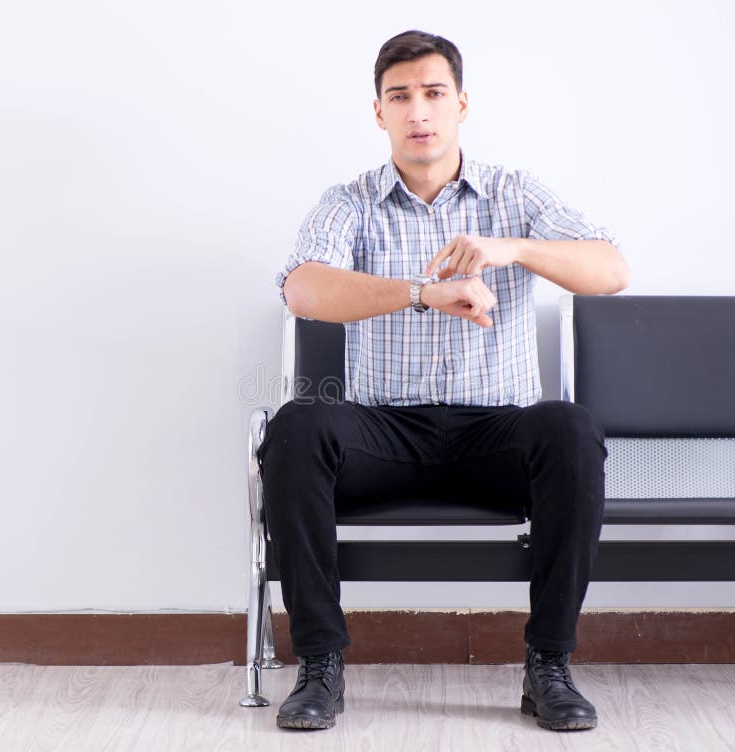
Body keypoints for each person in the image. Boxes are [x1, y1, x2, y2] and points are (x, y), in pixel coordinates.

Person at [259, 30, 629, 732]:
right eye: (400, 97)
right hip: (384, 436)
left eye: (433, 94)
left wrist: (510, 248)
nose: (418, 110)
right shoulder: (351, 202)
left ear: (461, 105)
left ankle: (547, 664)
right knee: (298, 425)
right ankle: (320, 665)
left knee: (571, 427)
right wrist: (422, 293)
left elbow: (611, 270)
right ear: (379, 113)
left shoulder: (514, 194)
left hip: (495, 434)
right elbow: (304, 289)